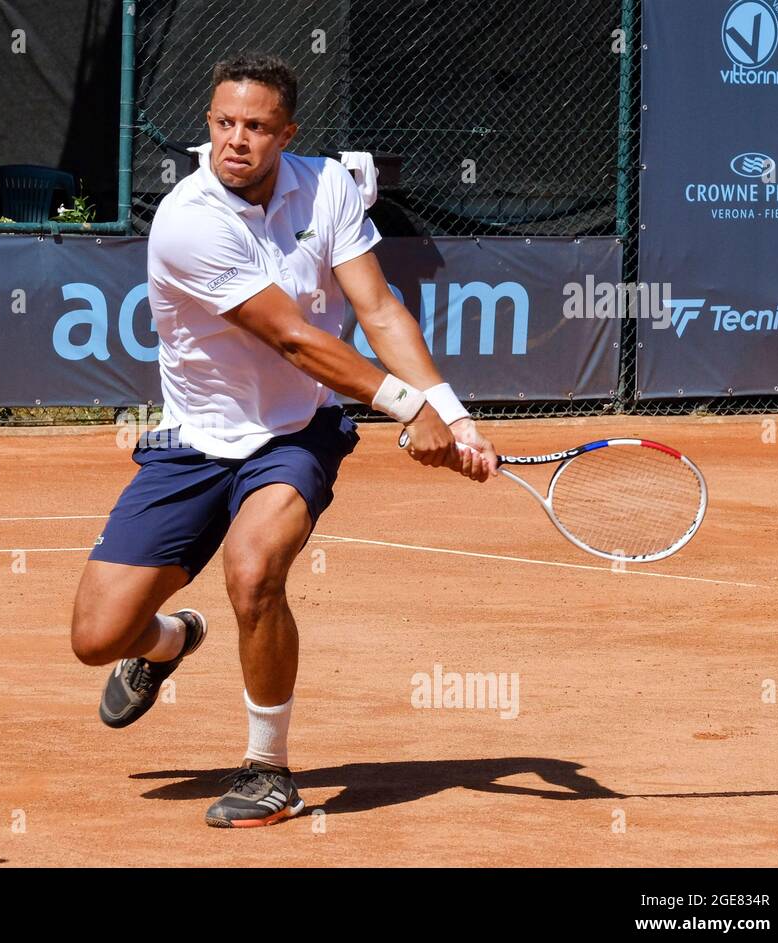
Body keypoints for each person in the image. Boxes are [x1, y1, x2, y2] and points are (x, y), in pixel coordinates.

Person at [69, 51, 497, 828]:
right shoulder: (188, 219)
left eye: (257, 127)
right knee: (97, 639)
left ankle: (269, 771)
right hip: (194, 440)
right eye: (224, 124)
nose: (236, 140)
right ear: (209, 126)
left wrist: (454, 415)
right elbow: (295, 338)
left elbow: (380, 311)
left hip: (296, 434)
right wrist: (409, 408)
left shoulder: (326, 185)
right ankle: (168, 642)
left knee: (254, 569)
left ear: (285, 133)